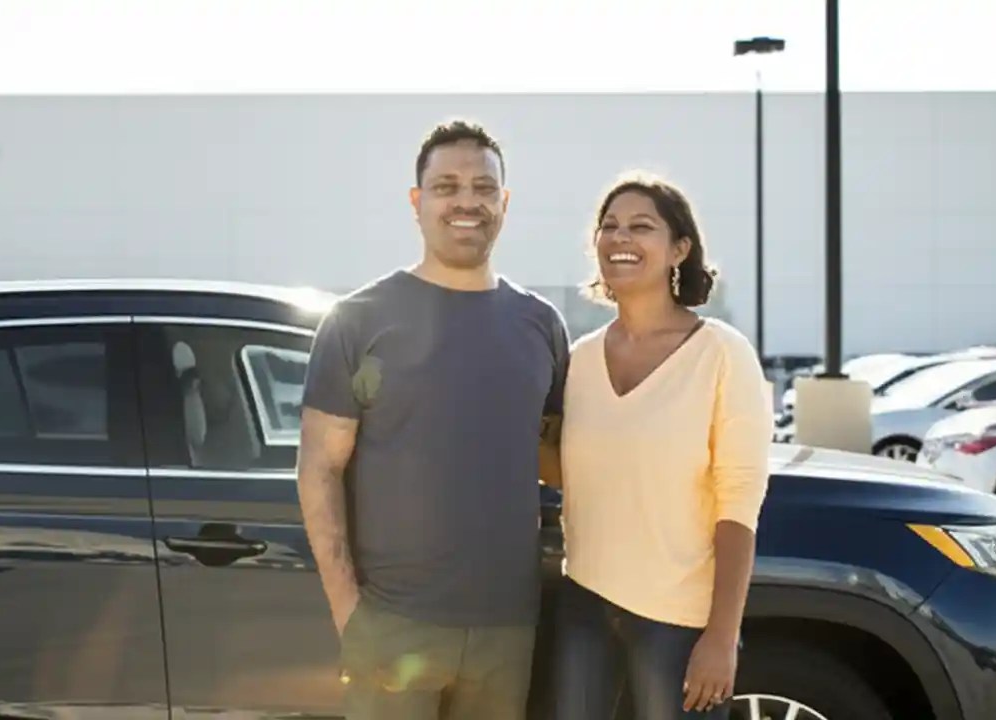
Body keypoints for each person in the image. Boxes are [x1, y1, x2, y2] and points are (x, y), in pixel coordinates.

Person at [295, 118, 569, 720]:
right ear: (417, 203)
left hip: (508, 629)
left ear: (505, 202)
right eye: (446, 186)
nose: (466, 201)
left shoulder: (540, 325)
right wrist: (350, 612)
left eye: (483, 187)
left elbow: (558, 460)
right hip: (392, 624)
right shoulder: (358, 320)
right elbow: (318, 467)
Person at [549, 172, 773, 719]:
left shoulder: (721, 353)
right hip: (584, 602)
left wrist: (722, 637)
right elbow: (569, 473)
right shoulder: (578, 358)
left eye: (641, 227)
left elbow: (739, 503)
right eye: (609, 227)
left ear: (680, 249)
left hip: (679, 622)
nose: (620, 238)